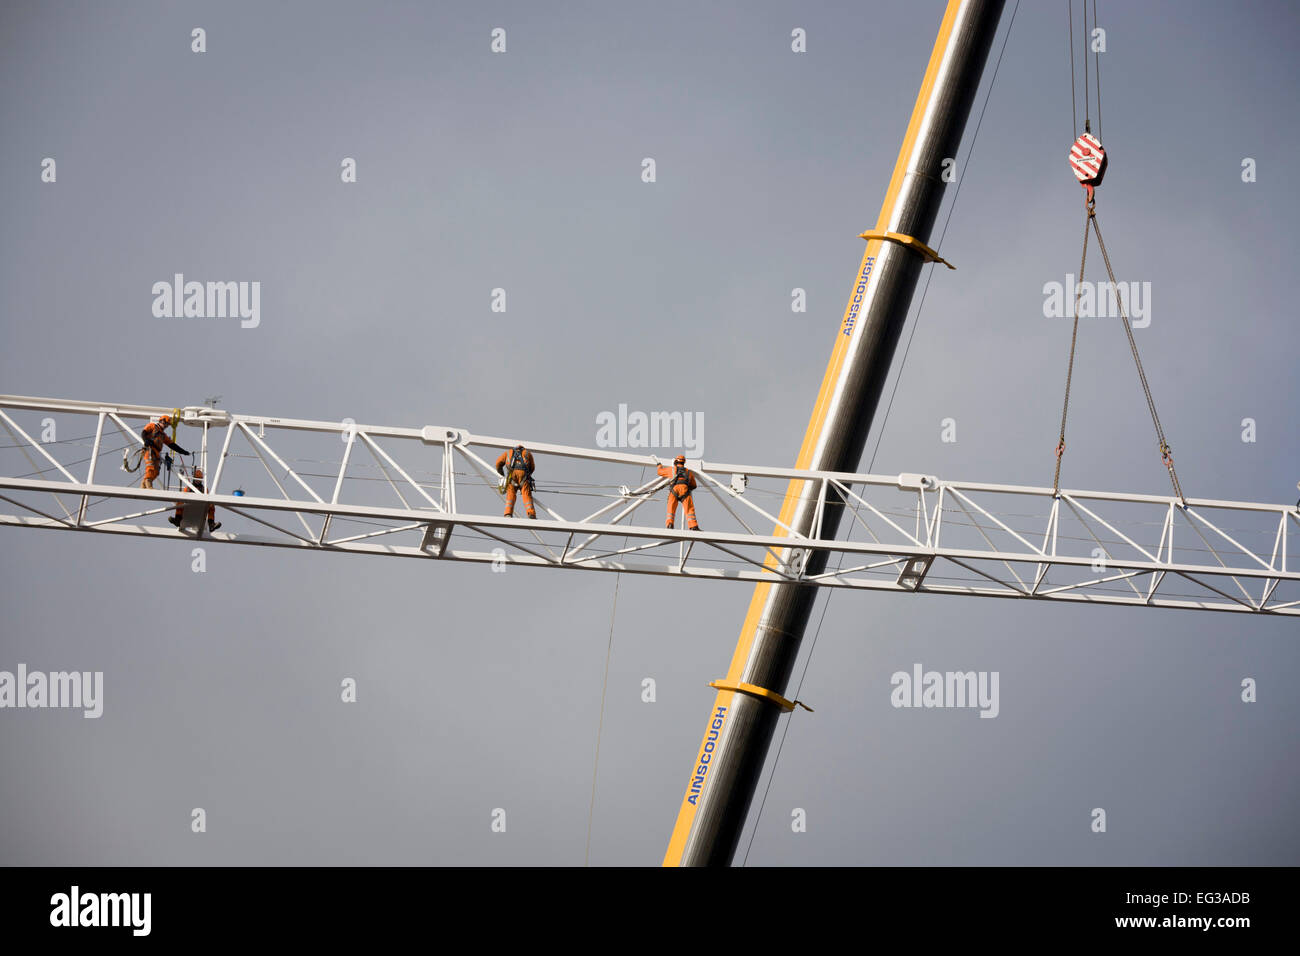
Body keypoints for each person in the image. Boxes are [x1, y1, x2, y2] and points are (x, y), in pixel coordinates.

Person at [140, 415, 189, 490]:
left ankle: (144, 484)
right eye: (166, 424)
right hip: (150, 449)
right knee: (150, 467)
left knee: (156, 471)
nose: (166, 426)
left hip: (156, 452)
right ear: (162, 421)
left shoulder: (163, 435)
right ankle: (148, 484)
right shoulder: (152, 426)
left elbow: (172, 445)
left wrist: (183, 451)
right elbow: (144, 432)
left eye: (167, 425)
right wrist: (146, 440)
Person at [168, 467, 221, 533]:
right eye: (197, 478)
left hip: (201, 508)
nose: (198, 481)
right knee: (180, 501)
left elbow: (208, 498)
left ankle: (211, 524)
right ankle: (177, 519)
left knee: (211, 504)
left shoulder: (204, 489)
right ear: (194, 478)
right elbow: (183, 497)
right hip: (189, 507)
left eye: (199, 479)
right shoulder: (188, 488)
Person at [657, 454, 700, 531]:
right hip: (685, 490)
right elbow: (694, 485)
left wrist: (659, 466)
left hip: (674, 489)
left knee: (671, 508)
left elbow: (659, 472)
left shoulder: (671, 470)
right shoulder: (688, 472)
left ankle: (670, 524)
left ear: (676, 461)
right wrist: (687, 487)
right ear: (684, 462)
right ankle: (693, 526)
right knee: (689, 509)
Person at [495, 444, 536, 519]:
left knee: (510, 494)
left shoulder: (508, 453)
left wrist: (502, 473)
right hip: (523, 476)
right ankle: (531, 513)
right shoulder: (527, 453)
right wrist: (527, 475)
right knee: (526, 494)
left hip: (512, 475)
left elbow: (498, 463)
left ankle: (508, 513)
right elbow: (532, 467)